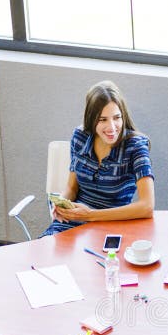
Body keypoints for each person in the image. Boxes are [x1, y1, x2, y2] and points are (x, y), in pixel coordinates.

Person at [41, 80, 154, 236]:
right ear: (91, 119)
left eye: (117, 117)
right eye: (103, 119)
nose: (112, 127)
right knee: (44, 253)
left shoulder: (135, 146)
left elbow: (147, 206)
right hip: (73, 223)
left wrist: (91, 215)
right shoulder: (80, 137)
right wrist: (62, 204)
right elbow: (72, 188)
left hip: (112, 227)